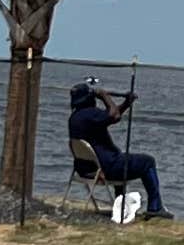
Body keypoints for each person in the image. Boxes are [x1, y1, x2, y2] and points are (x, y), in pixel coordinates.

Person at [67, 79, 165, 222]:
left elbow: (111, 117)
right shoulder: (91, 114)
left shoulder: (75, 118)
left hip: (87, 169)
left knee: (123, 159)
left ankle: (121, 206)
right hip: (108, 167)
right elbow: (114, 115)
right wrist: (105, 96)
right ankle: (155, 208)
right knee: (148, 162)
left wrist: (127, 103)